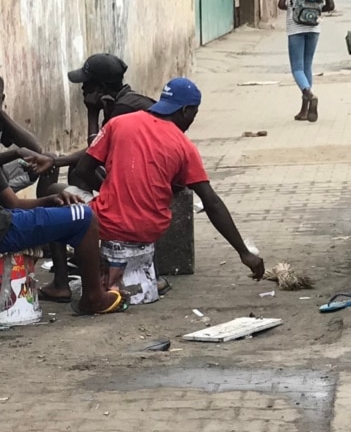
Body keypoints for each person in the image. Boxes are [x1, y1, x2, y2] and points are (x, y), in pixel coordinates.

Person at [0, 82, 126, 315]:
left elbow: (15, 203)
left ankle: (67, 284)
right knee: (85, 216)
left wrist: (52, 198)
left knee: (74, 210)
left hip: (5, 221)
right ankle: (93, 297)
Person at [73, 77, 264, 303]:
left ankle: (61, 284)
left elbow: (83, 169)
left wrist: (112, 189)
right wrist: (243, 252)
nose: (193, 119)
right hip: (150, 229)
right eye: (194, 113)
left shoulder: (119, 123)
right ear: (185, 110)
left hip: (108, 222)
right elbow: (211, 202)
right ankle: (148, 277)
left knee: (56, 194)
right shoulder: (185, 147)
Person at [35, 53, 156, 303]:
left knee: (54, 198)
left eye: (86, 85)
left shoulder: (122, 111)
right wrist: (59, 161)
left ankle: (60, 282)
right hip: (150, 194)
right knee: (74, 174)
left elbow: (95, 156)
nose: (82, 90)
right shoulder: (130, 101)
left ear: (100, 88)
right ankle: (83, 249)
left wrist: (92, 114)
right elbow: (96, 155)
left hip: (134, 202)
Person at [279, 0, 335, 122]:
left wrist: (295, 8)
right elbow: (331, 5)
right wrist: (315, 10)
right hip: (314, 27)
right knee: (307, 66)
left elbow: (281, 4)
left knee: (297, 68)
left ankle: (310, 96)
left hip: (295, 27)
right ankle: (305, 110)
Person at [0, 71, 54, 192]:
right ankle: (4, 201)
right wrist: (17, 152)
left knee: (49, 159)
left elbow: (35, 148)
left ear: (2, 99)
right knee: (0, 171)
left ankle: (46, 206)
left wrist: (1, 113)